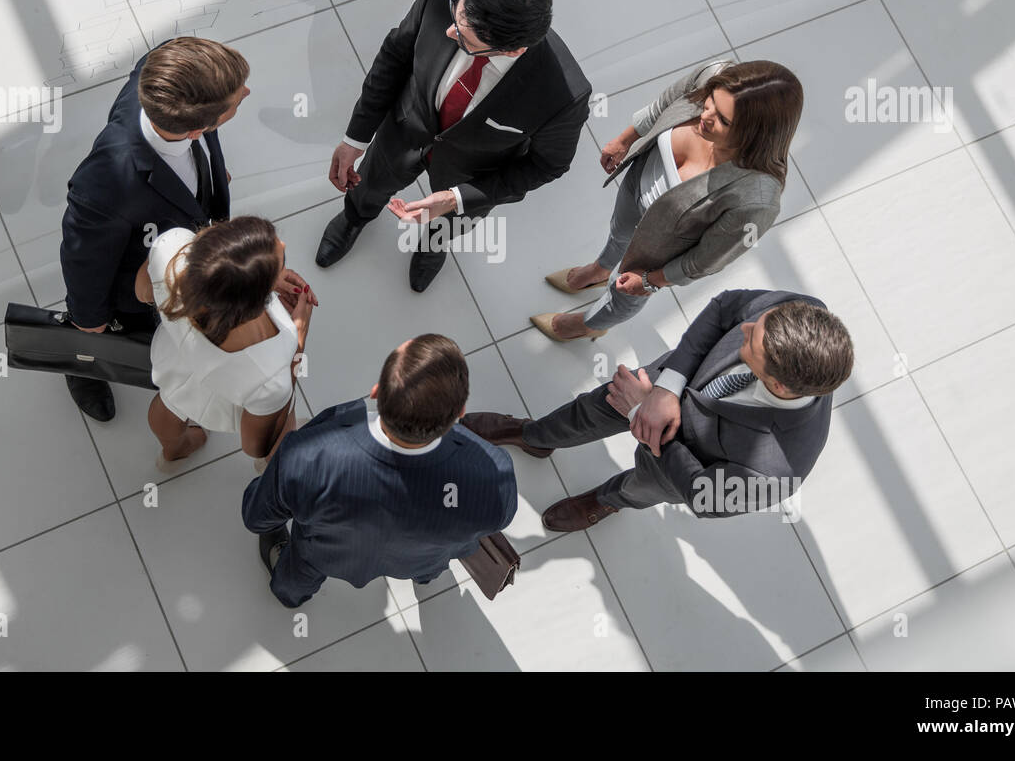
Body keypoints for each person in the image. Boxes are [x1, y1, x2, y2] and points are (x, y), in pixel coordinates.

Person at [58, 36, 310, 421]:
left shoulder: (165, 77)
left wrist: (203, 178)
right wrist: (87, 318)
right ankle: (80, 367)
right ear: (197, 129)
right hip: (133, 283)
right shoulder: (105, 186)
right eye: (237, 100)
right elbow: (83, 257)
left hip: (183, 236)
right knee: (98, 334)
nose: (246, 91)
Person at [464, 289, 853, 530]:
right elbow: (724, 309)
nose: (744, 329)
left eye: (752, 342)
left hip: (674, 464)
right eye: (755, 324)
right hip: (661, 381)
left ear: (779, 385)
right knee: (587, 411)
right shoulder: (799, 311)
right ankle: (534, 436)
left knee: (638, 488)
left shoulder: (776, 472)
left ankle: (605, 502)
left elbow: (703, 496)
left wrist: (641, 417)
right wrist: (666, 388)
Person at [315, 0, 591, 292]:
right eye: (456, 16)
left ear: (514, 49)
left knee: (450, 223)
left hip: (473, 176)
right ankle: (355, 217)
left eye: (464, 37)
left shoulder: (563, 94)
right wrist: (355, 138)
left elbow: (548, 165)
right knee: (370, 184)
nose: (449, 31)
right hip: (404, 130)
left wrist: (454, 198)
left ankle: (434, 244)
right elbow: (395, 56)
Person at [531, 59, 802, 341]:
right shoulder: (714, 74)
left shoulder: (756, 199)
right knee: (619, 232)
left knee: (623, 294)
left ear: (756, 133)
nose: (705, 117)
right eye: (709, 102)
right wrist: (625, 139)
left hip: (662, 248)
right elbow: (664, 105)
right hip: (638, 181)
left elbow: (703, 261)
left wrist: (651, 280)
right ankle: (600, 269)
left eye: (723, 120)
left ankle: (590, 324)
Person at [241, 334, 518, 608]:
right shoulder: (493, 472)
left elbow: (257, 516)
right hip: (423, 557)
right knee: (426, 566)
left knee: (298, 575)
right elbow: (498, 519)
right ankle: (424, 578)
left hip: (329, 554)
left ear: (376, 392)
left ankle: (290, 596)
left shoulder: (309, 456)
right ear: (460, 411)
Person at [139, 217, 314, 470]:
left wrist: (252, 277)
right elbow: (256, 446)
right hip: (231, 397)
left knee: (169, 402)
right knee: (283, 425)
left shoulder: (170, 247)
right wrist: (299, 339)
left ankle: (174, 451)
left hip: (179, 365)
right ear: (253, 307)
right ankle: (272, 468)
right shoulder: (272, 374)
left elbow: (143, 291)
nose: (284, 243)